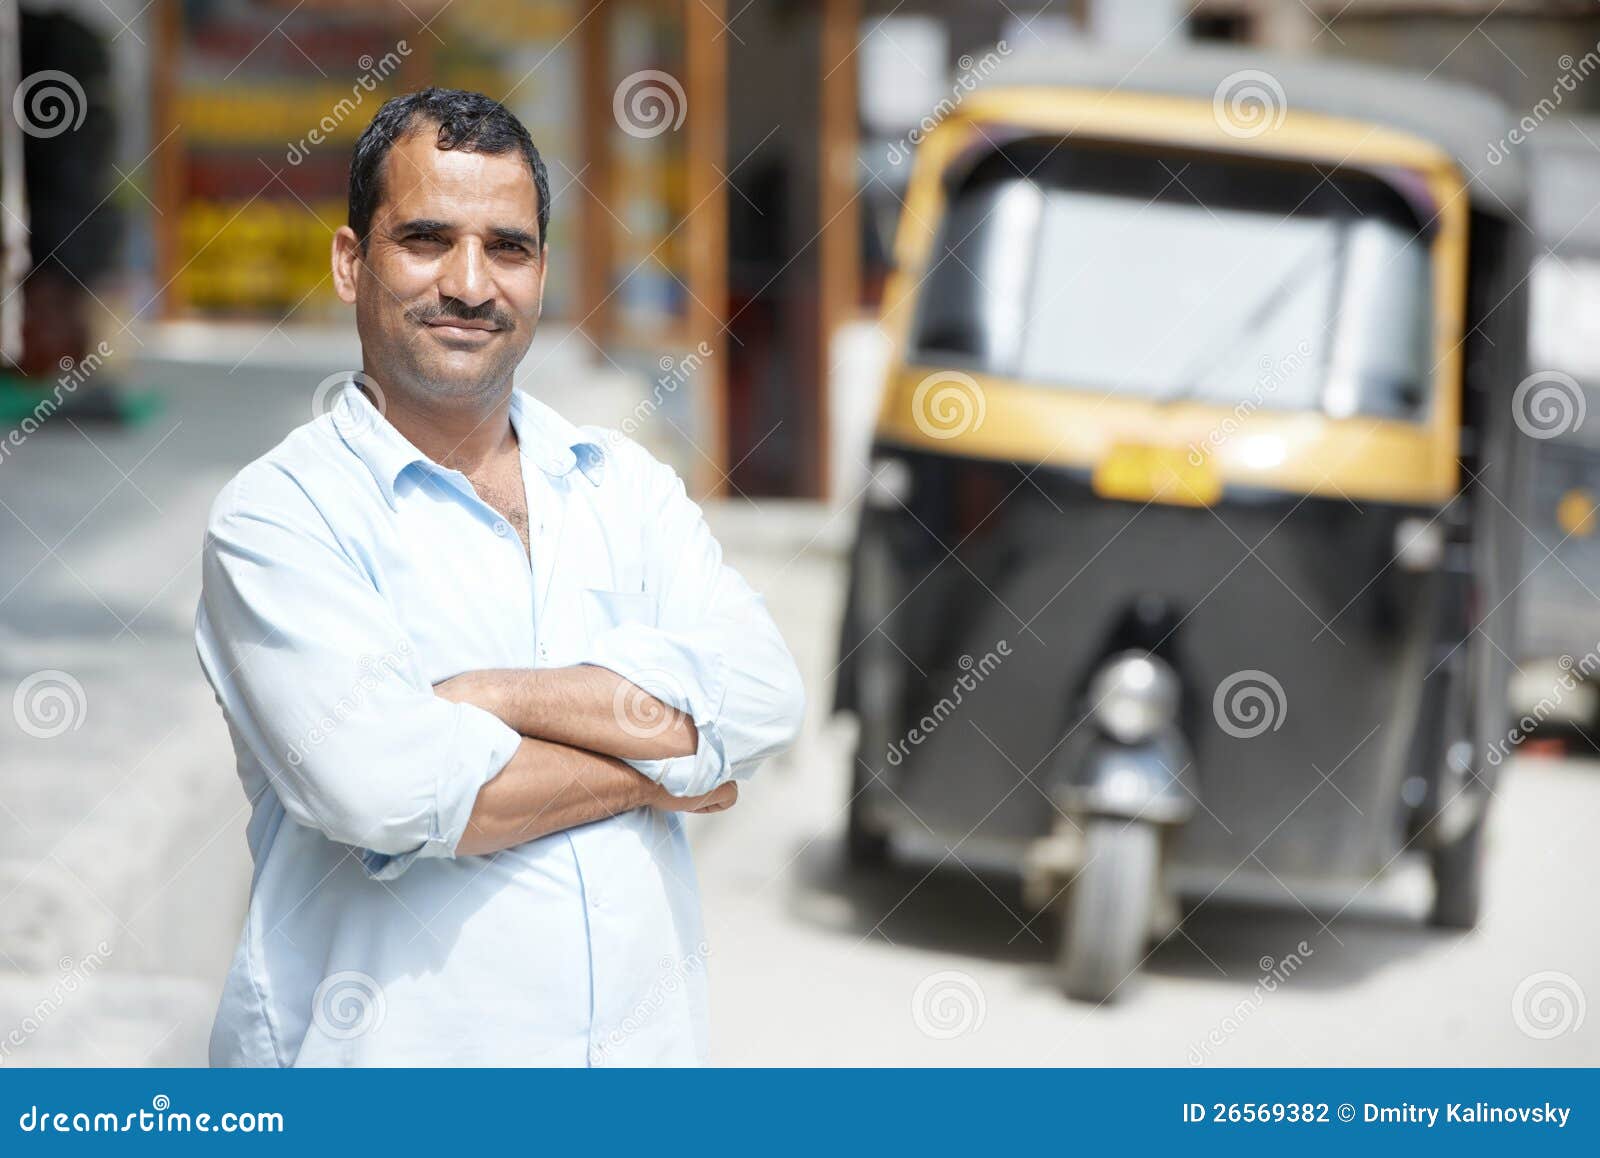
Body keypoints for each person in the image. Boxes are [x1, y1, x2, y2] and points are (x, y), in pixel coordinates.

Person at [194, 88, 805, 1066]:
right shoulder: (282, 517)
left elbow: (766, 697)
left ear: (541, 274)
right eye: (426, 240)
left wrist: (495, 698)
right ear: (351, 263)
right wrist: (661, 771)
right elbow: (391, 790)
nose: (470, 283)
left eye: (507, 248)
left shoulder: (623, 487)